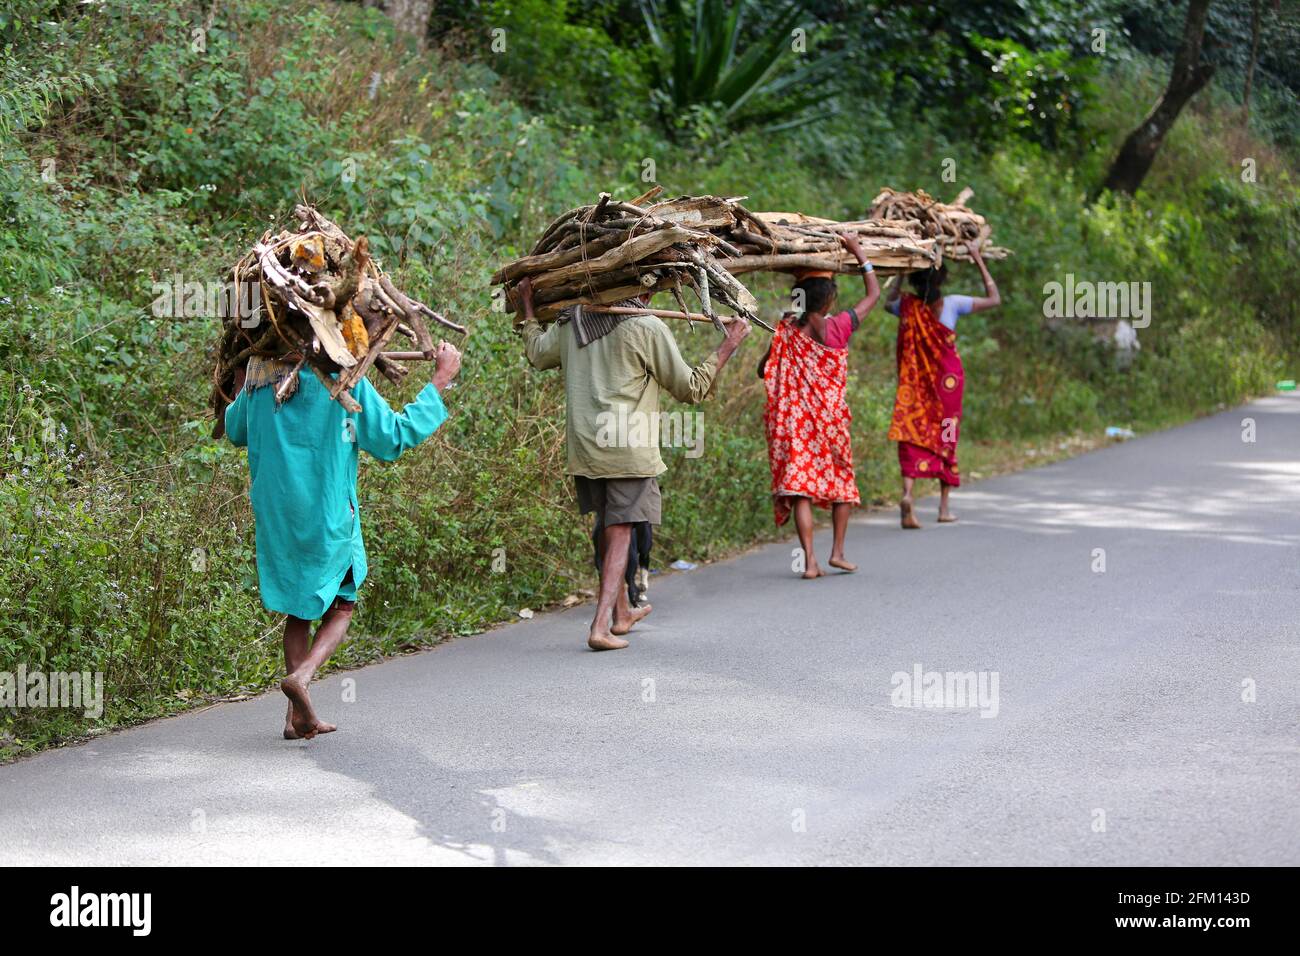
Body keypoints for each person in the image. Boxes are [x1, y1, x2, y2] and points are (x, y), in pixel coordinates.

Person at [224, 341, 462, 739]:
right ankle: (302, 675)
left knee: (299, 610)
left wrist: (238, 382)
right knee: (341, 607)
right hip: (328, 512)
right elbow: (392, 439)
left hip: (278, 514)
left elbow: (234, 430)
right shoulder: (341, 378)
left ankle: (295, 718)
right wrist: (439, 381)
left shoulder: (260, 374)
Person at [517, 276, 750, 651]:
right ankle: (599, 626)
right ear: (641, 291)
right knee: (622, 529)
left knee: (611, 526)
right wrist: (728, 345)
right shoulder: (646, 326)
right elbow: (690, 388)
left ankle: (622, 613)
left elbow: (536, 354)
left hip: (587, 448)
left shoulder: (573, 321)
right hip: (627, 448)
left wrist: (528, 307)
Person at [757, 234, 880, 579]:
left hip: (796, 424)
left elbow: (762, 369)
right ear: (828, 299)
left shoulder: (784, 331)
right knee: (842, 483)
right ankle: (837, 553)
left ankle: (810, 562)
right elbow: (874, 294)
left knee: (801, 491)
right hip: (832, 422)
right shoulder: (840, 326)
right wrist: (859, 250)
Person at [885, 241, 999, 528]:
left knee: (912, 432)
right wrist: (977, 259)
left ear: (913, 279)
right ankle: (943, 507)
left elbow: (888, 302)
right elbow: (994, 298)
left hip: (917, 386)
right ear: (942, 280)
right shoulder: (953, 304)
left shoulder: (907, 307)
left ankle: (908, 493)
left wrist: (900, 272)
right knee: (947, 437)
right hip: (948, 385)